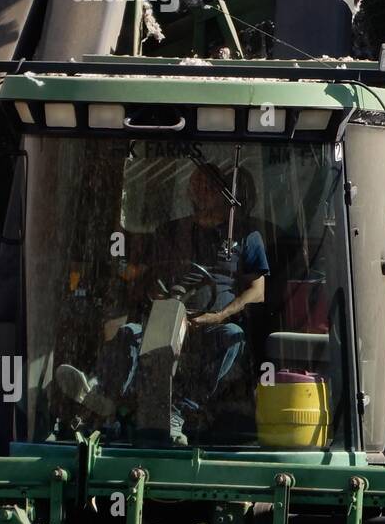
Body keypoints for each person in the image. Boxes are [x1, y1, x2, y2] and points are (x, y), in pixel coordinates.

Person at [56, 159, 270, 440]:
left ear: (223, 191)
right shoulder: (170, 232)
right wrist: (156, 295)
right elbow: (147, 275)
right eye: (196, 186)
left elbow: (258, 290)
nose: (201, 191)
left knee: (234, 338)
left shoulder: (245, 235)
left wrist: (220, 315)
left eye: (208, 186)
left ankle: (181, 411)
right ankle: (101, 393)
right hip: (167, 316)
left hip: (214, 324)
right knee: (129, 334)